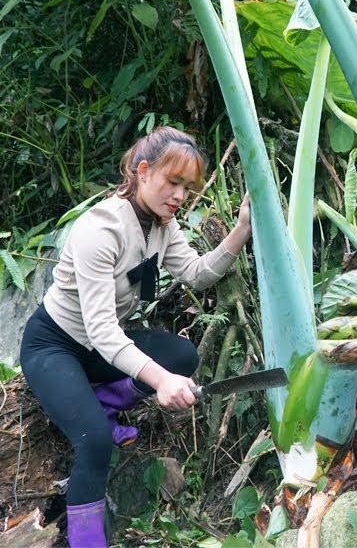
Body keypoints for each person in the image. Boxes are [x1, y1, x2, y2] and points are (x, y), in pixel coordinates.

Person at [19, 127, 252, 548]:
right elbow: (102, 332)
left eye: (186, 187)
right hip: (55, 344)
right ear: (143, 172)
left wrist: (241, 230)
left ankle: (103, 405)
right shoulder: (100, 230)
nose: (179, 195)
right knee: (94, 441)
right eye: (172, 181)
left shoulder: (162, 225)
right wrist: (160, 382)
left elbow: (197, 275)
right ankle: (88, 543)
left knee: (181, 356)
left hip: (99, 347)